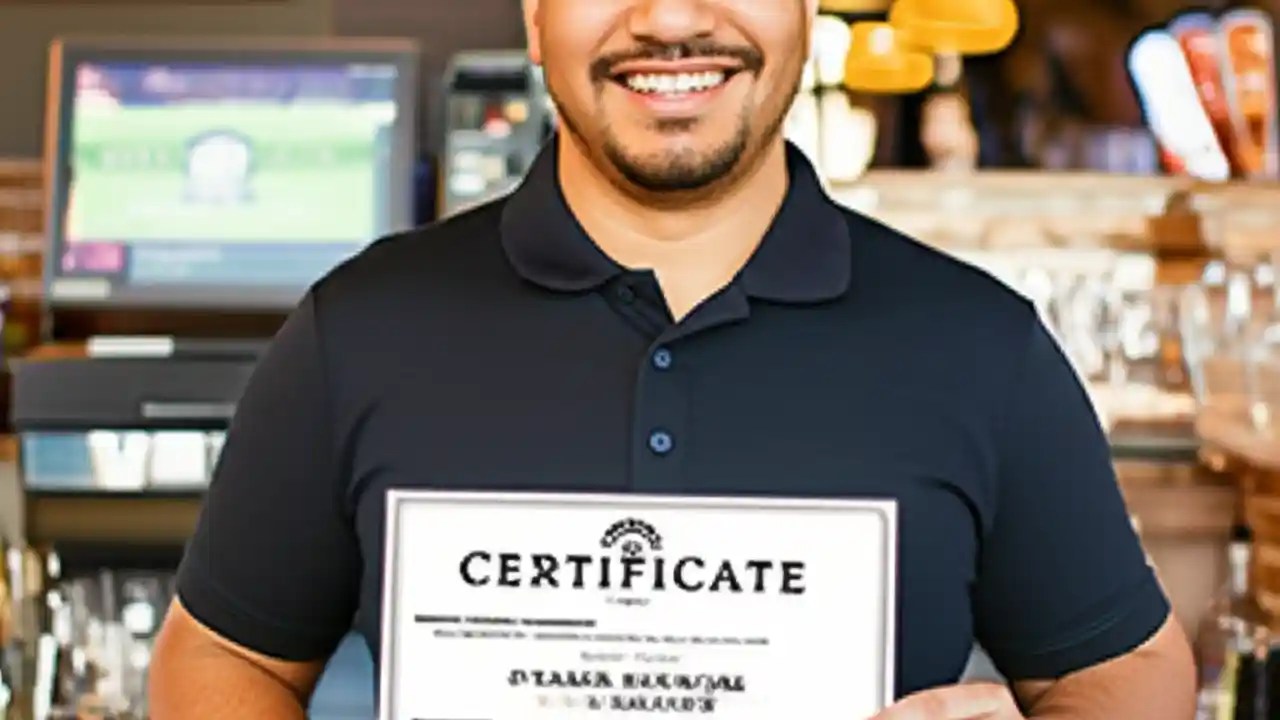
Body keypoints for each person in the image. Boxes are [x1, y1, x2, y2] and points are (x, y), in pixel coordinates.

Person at [148, 0, 1197, 717]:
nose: (669, 19)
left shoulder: (979, 347)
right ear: (532, 12)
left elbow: (1129, 668)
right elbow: (224, 653)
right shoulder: (359, 330)